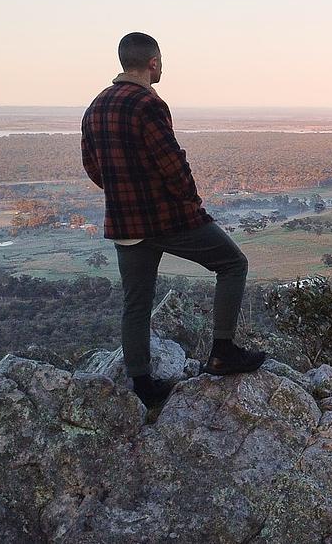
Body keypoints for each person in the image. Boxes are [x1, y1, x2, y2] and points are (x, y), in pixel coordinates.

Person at [81, 32, 265, 408]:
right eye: (161, 61)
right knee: (233, 264)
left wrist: (121, 193)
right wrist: (190, 200)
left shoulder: (96, 106)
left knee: (136, 303)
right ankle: (222, 351)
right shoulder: (148, 103)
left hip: (126, 224)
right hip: (168, 218)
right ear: (152, 63)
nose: (162, 67)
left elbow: (92, 166)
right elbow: (172, 163)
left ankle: (143, 385)